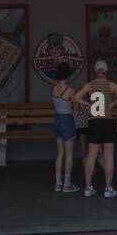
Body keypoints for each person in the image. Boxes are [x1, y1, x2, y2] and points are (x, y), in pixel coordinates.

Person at [73, 60, 117, 198]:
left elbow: (76, 97)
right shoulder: (112, 85)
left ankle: (88, 188)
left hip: (94, 122)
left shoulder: (90, 85)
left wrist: (88, 104)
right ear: (106, 71)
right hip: (108, 122)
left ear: (95, 72)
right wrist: (113, 103)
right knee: (108, 156)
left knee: (91, 155)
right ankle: (108, 189)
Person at [50, 64, 80, 193]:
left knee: (60, 153)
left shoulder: (54, 88)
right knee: (69, 155)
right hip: (67, 121)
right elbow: (76, 107)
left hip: (56, 120)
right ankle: (67, 184)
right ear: (68, 74)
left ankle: (58, 184)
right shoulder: (70, 90)